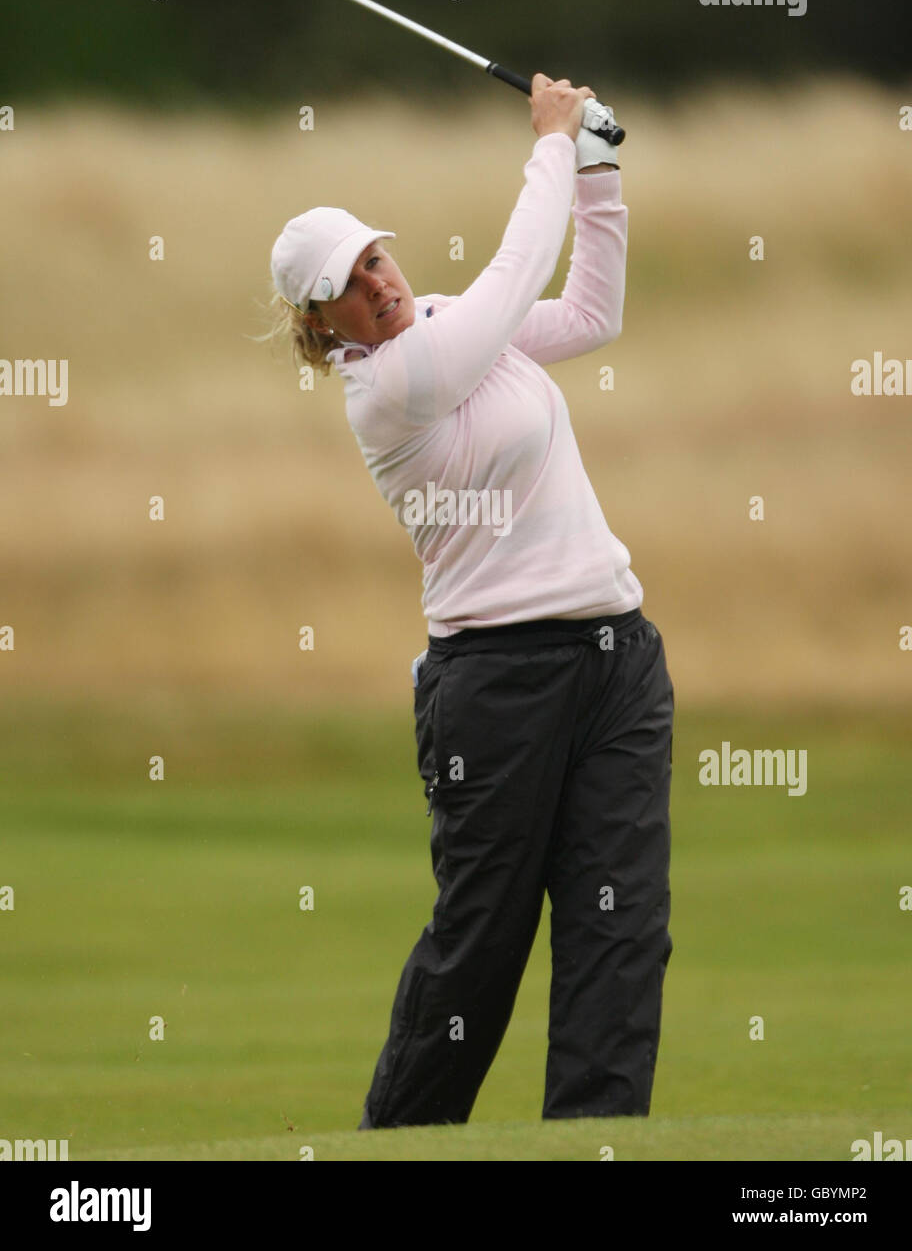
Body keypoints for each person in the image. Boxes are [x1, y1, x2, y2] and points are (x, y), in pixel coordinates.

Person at [267, 74, 674, 1127]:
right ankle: (394, 1143)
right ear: (322, 323)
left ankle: (595, 1145)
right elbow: (511, 280)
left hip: (614, 657)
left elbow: (590, 313)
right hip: (495, 685)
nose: (379, 284)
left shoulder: (451, 325)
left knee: (618, 925)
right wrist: (546, 139)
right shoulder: (391, 387)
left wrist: (594, 167)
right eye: (349, 284)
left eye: (374, 257)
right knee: (481, 942)